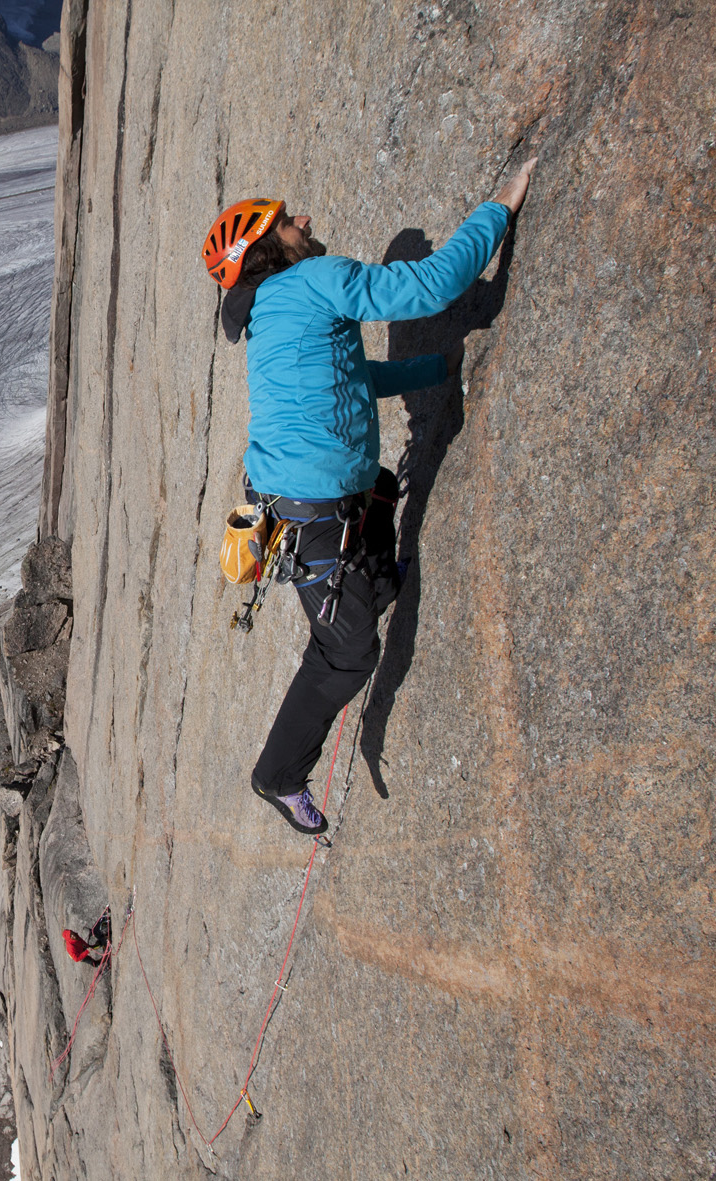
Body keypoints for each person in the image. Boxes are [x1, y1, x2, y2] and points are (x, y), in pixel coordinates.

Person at [203, 158, 538, 834]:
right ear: (268, 249)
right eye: (287, 222)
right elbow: (433, 284)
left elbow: (348, 377)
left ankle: (379, 584)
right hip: (314, 516)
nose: (303, 221)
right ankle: (278, 775)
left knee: (381, 492)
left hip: (303, 506)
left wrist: (433, 369)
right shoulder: (313, 280)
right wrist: (499, 208)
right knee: (346, 655)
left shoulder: (271, 310)